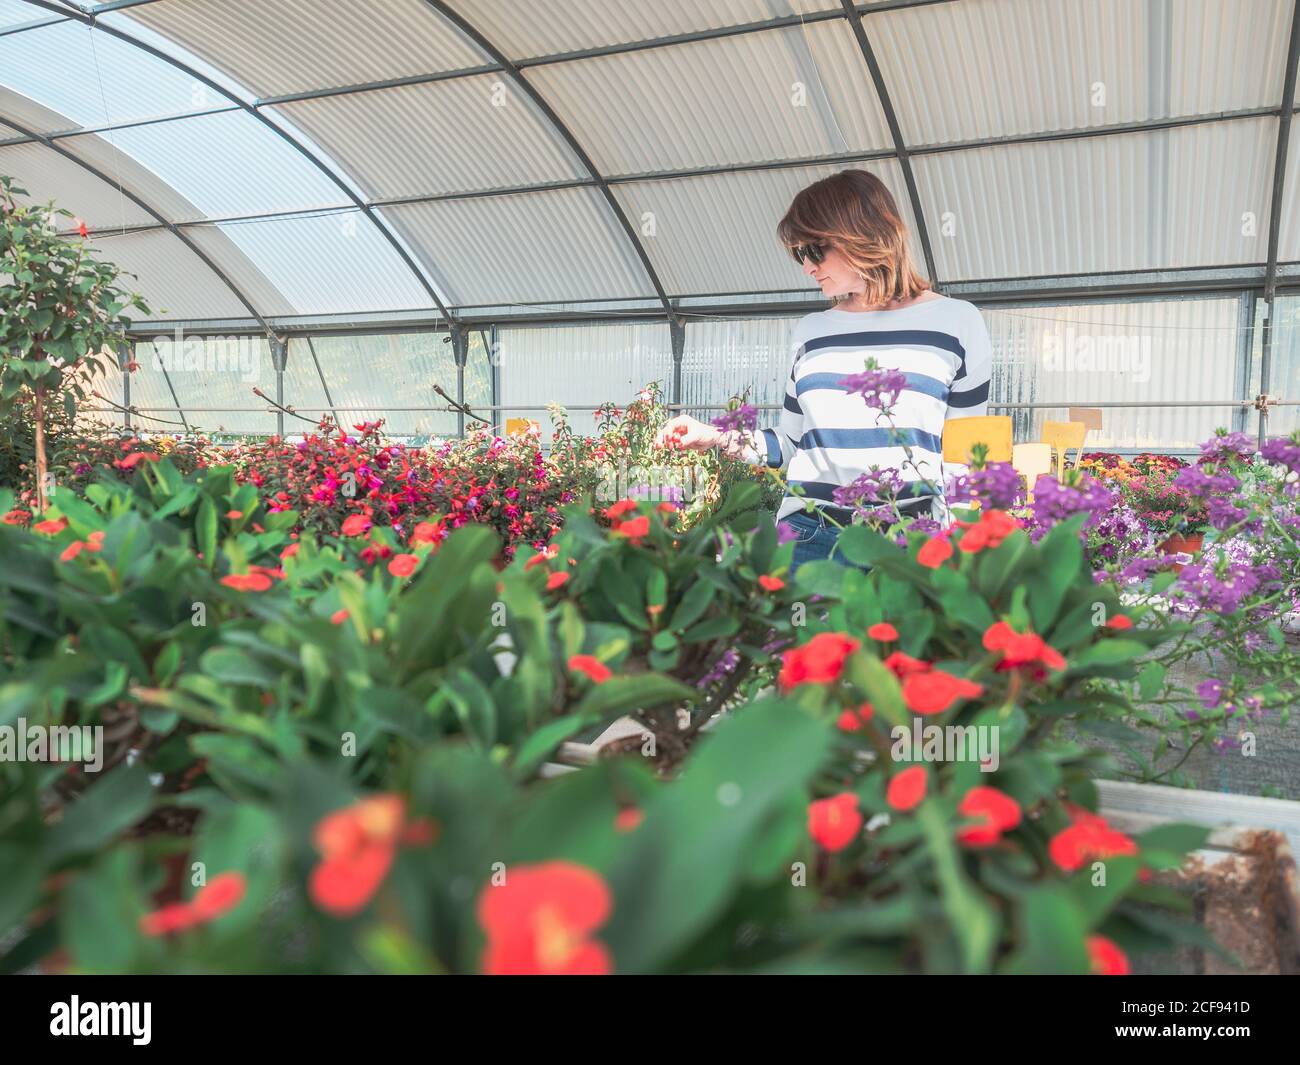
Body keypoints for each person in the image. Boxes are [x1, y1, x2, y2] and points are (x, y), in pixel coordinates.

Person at [655, 169, 993, 574]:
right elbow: (793, 442)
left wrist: (955, 548)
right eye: (799, 254)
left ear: (864, 235)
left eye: (814, 250)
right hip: (811, 537)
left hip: (914, 542)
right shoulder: (812, 331)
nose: (806, 267)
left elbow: (965, 455)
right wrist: (713, 437)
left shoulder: (956, 322)